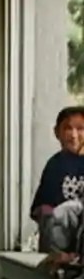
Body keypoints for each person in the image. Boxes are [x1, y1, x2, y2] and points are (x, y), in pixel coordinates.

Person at [29, 106, 84, 251]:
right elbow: (41, 208)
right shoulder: (55, 165)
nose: (74, 135)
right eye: (68, 128)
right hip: (59, 244)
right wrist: (51, 222)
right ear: (56, 132)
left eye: (80, 129)